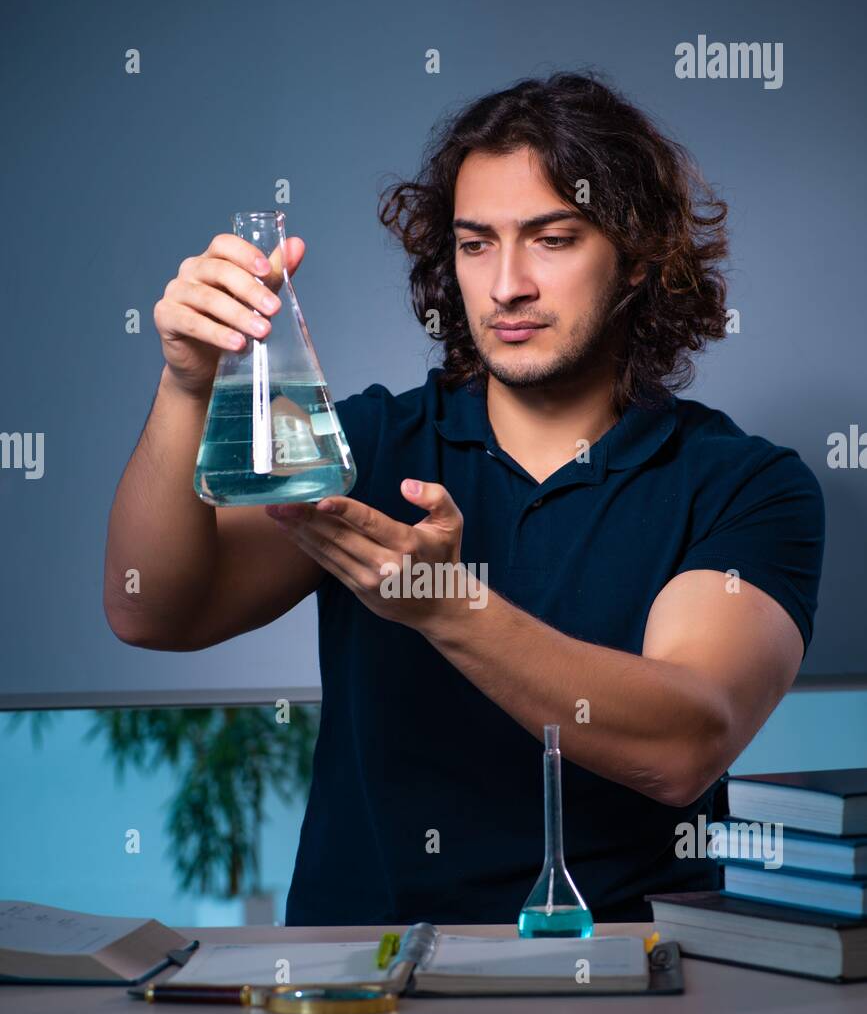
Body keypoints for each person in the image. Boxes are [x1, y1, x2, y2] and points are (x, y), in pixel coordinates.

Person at [104, 71, 824, 927]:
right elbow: (152, 611)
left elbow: (683, 743)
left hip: (627, 985)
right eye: (476, 243)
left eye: (551, 240)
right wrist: (187, 385)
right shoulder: (366, 447)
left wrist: (446, 606)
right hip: (364, 984)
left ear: (634, 259)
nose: (505, 284)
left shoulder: (741, 484)